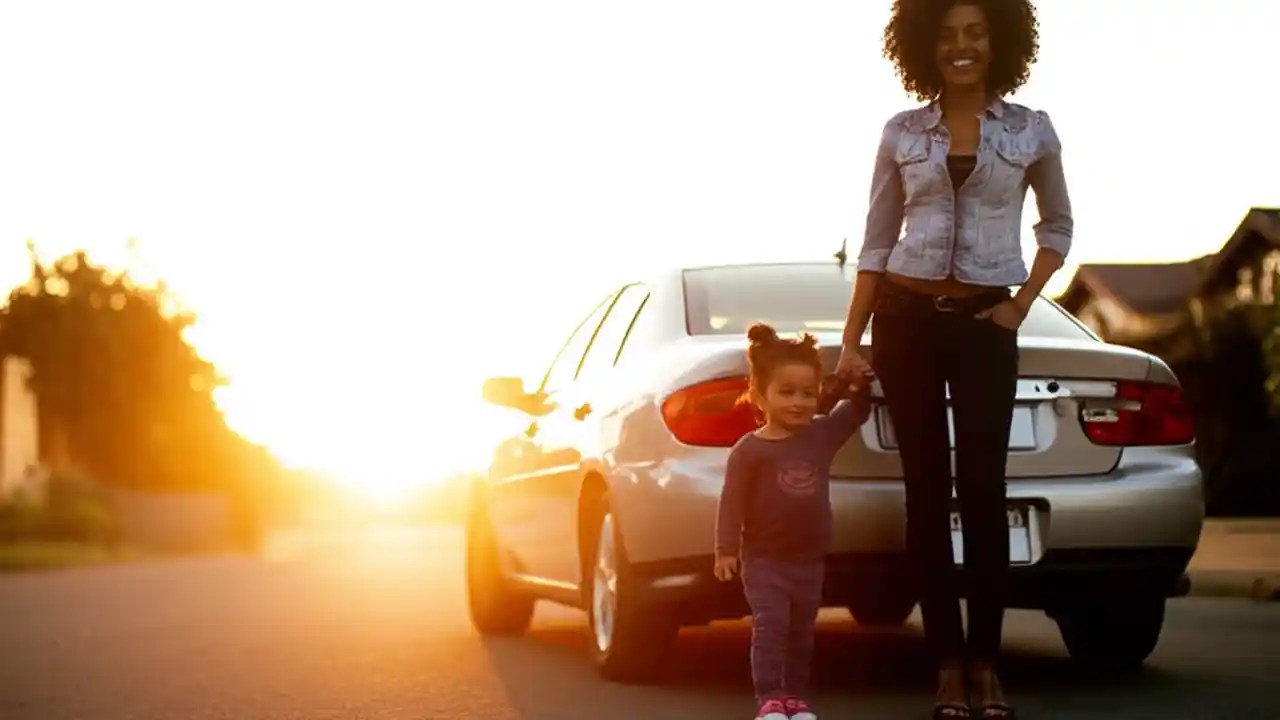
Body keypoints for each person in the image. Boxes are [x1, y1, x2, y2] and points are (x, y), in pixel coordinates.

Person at [835, 1, 1072, 718]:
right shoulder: (901, 133)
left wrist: (1020, 304)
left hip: (984, 325)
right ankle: (945, 669)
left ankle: (987, 667)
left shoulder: (1031, 130)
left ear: (998, 40)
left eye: (975, 33)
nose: (961, 47)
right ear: (923, 44)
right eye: (945, 35)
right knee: (927, 497)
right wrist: (851, 340)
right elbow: (876, 244)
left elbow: (1057, 225)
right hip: (905, 323)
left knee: (982, 489)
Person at [715, 324, 872, 720]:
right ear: (758, 395)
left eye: (808, 392)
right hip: (765, 560)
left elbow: (854, 415)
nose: (800, 402)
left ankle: (795, 699)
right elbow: (731, 503)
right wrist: (725, 551)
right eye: (786, 392)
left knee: (801, 634)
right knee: (771, 628)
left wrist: (859, 386)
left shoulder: (820, 434)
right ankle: (769, 699)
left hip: (809, 560)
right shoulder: (749, 452)